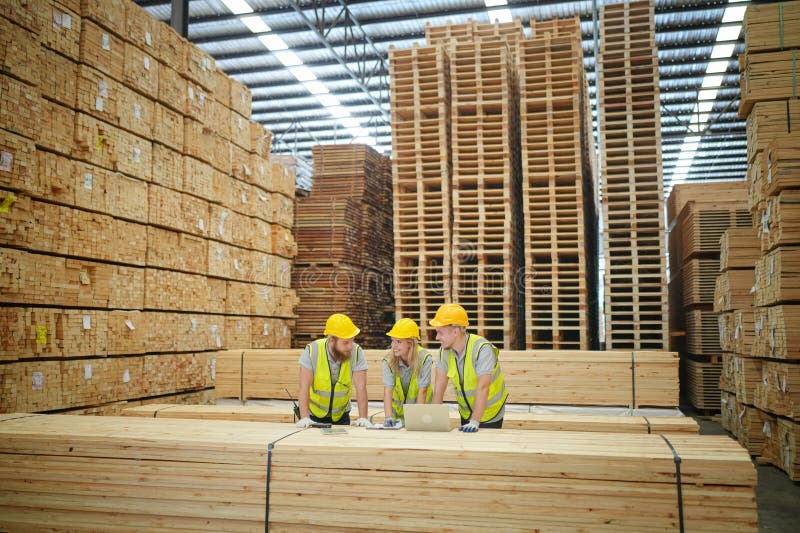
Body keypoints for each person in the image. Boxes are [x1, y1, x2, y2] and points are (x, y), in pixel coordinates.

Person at [430, 303, 507, 432]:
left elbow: (483, 387)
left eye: (440, 332)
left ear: (455, 331)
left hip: (489, 414)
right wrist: (433, 419)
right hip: (466, 412)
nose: (437, 337)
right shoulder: (444, 351)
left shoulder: (482, 349)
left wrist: (475, 420)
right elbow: (439, 387)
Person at [295, 313, 370, 428]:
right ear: (331, 340)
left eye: (352, 341)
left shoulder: (356, 352)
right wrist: (305, 417)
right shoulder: (312, 351)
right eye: (345, 343)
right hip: (314, 416)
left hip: (341, 416)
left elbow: (361, 388)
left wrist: (363, 417)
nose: (350, 346)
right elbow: (304, 387)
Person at [382, 318, 433, 428]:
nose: (394, 346)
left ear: (410, 343)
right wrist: (388, 417)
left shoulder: (424, 358)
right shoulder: (389, 360)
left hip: (422, 416)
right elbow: (388, 391)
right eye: (392, 341)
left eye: (399, 342)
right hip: (397, 419)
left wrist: (418, 420)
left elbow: (422, 391)